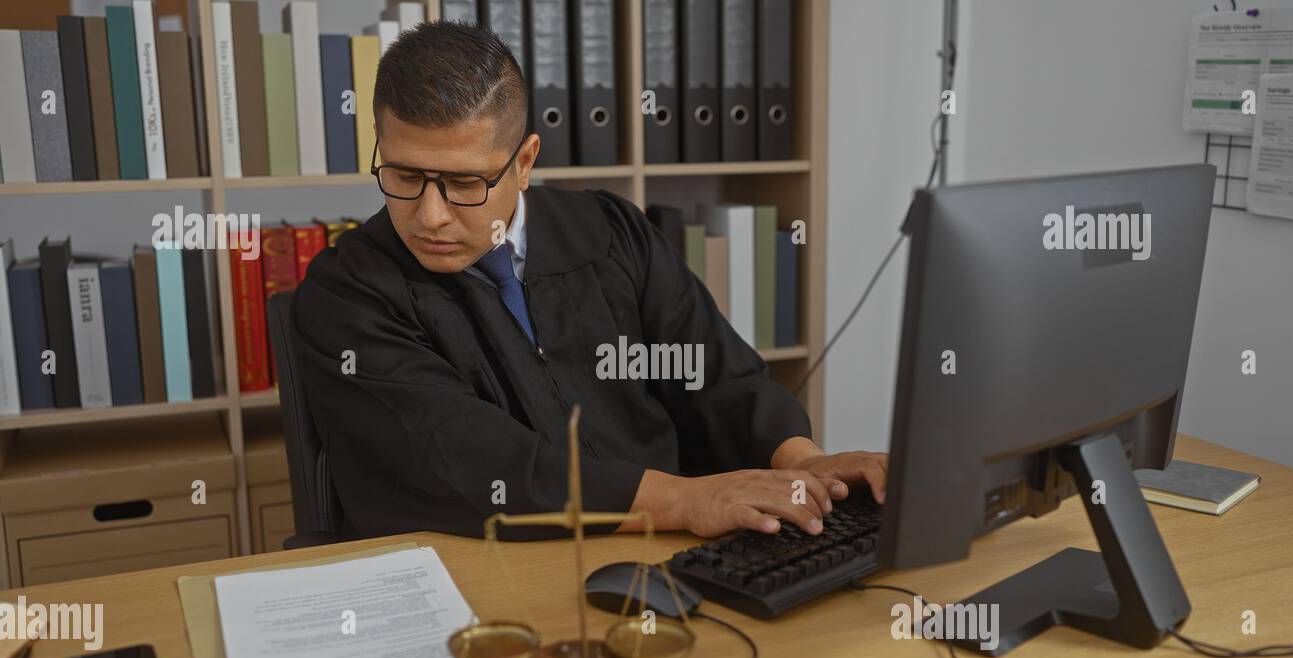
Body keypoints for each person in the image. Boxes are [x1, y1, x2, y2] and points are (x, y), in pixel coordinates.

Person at [293, 21, 888, 541]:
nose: (430, 215)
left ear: (524, 162)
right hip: (476, 575)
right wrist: (685, 500)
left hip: (659, 552)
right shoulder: (349, 292)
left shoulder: (609, 233)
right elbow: (470, 461)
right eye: (403, 174)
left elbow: (711, 373)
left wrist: (808, 463)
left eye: (464, 183)